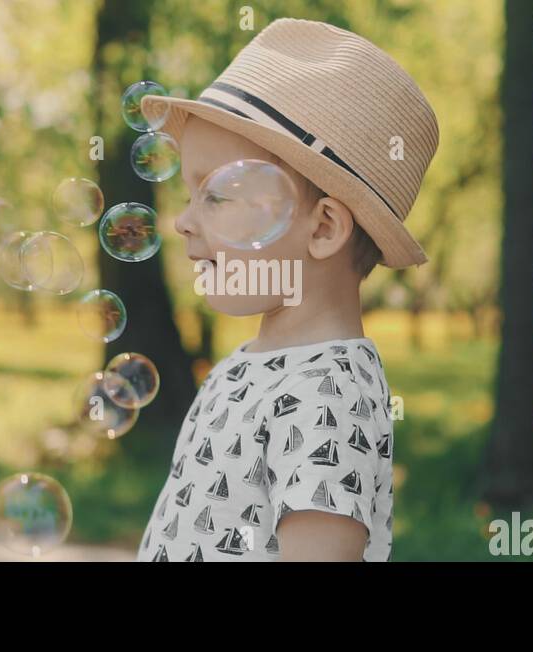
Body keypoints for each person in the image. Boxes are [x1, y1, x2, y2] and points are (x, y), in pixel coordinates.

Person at [135, 17, 439, 561]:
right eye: (189, 194)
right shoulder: (243, 366)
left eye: (217, 196)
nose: (183, 222)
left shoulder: (329, 393)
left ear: (322, 229)